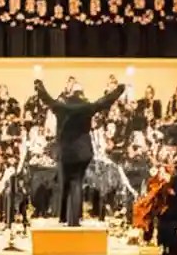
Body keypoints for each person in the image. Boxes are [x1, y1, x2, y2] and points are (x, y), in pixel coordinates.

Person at [33, 75, 127, 226]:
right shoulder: (87, 107)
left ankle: (63, 217)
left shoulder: (61, 106)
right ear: (82, 94)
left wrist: (39, 85)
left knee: (64, 182)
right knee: (77, 182)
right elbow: (105, 101)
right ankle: (76, 220)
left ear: (70, 94)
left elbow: (46, 98)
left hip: (66, 151)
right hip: (83, 152)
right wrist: (119, 90)